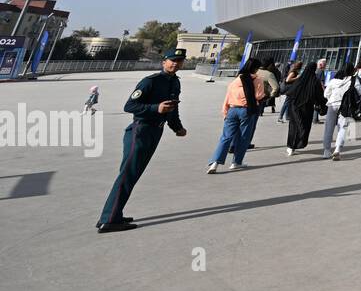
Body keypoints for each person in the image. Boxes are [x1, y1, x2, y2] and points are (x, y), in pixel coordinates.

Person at [96, 49, 189, 233]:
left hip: (155, 132)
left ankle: (115, 213)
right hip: (140, 131)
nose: (175, 64)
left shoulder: (175, 83)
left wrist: (177, 127)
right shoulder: (150, 81)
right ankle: (109, 219)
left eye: (179, 61)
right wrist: (156, 108)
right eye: (172, 60)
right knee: (127, 175)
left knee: (132, 175)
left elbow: (171, 109)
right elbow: (129, 106)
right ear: (164, 62)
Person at [207, 59, 267, 173]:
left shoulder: (236, 80)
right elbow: (259, 96)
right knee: (244, 137)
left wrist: (225, 111)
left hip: (232, 109)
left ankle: (215, 163)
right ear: (255, 68)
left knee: (226, 137)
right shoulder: (257, 79)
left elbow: (227, 97)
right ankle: (236, 162)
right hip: (247, 111)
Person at [283, 57, 326, 155]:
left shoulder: (300, 79)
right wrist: (322, 105)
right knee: (304, 126)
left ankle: (290, 146)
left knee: (293, 126)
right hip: (307, 108)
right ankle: (299, 143)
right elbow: (319, 96)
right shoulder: (315, 81)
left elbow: (291, 92)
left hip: (295, 107)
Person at [323, 64, 361, 160]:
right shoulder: (354, 80)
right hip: (346, 106)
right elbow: (360, 92)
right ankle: (337, 149)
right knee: (343, 128)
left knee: (328, 128)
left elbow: (326, 94)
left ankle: (326, 151)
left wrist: (332, 98)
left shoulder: (333, 81)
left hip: (332, 105)